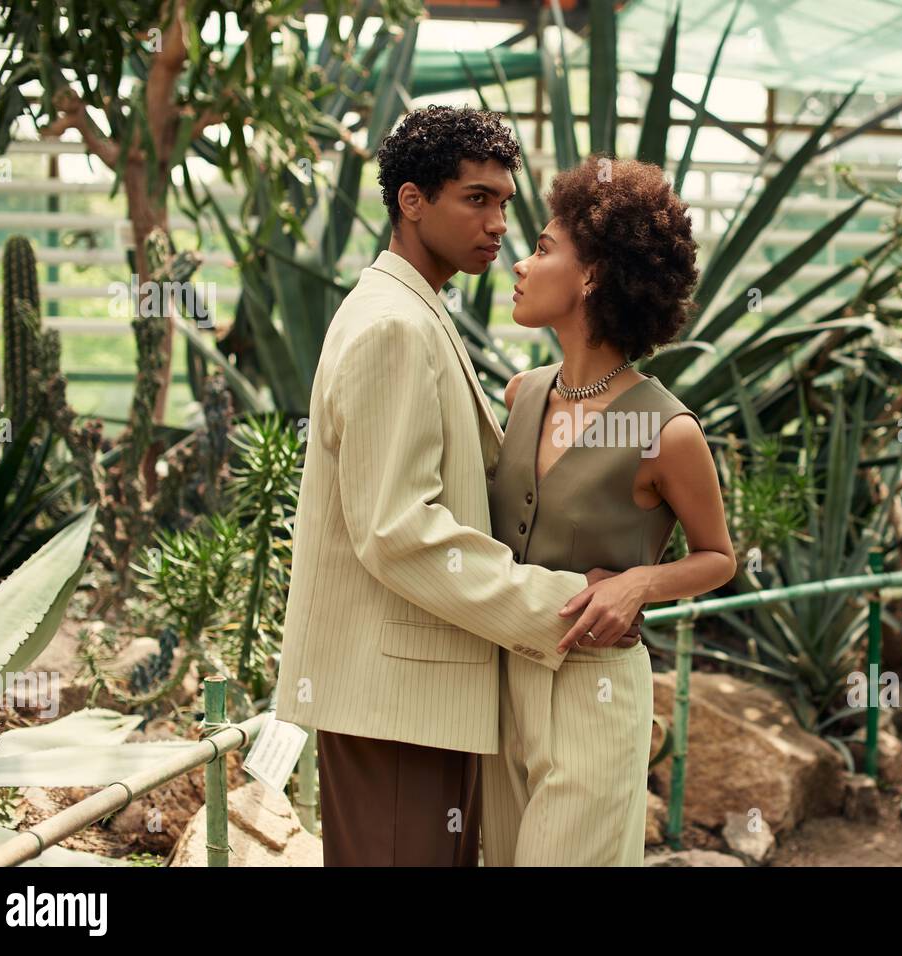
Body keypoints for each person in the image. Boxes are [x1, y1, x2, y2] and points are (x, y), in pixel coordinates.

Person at [274, 107, 642, 867]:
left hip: (419, 700)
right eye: (477, 199)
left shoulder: (415, 312)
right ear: (412, 201)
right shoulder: (394, 328)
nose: (499, 223)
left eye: (505, 203)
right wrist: (562, 605)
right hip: (397, 705)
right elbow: (397, 529)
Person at [481, 156, 738, 866]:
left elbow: (718, 557)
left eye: (541, 249)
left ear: (591, 273)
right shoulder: (520, 394)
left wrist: (637, 584)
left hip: (595, 693)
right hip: (502, 686)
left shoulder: (667, 430)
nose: (520, 265)